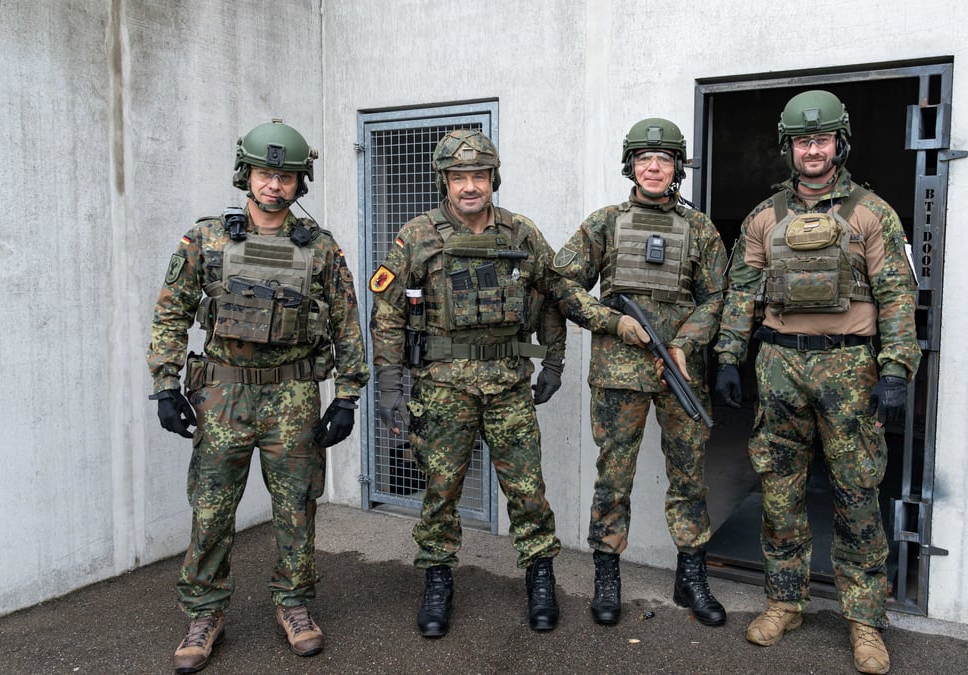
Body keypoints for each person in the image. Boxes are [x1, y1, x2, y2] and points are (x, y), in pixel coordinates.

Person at [147, 119, 370, 672]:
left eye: (287, 176)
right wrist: (164, 385)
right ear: (246, 174)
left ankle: (294, 605)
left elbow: (347, 323)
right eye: (266, 173)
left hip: (292, 396)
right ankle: (203, 613)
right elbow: (171, 311)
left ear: (301, 183)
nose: (275, 185)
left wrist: (347, 396)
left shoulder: (319, 247)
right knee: (212, 508)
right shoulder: (207, 237)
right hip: (221, 395)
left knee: (296, 508)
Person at [713, 90, 921, 675]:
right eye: (803, 141)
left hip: (851, 368)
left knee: (857, 495)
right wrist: (729, 357)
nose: (812, 149)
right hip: (778, 365)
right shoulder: (763, 217)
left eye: (822, 139)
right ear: (789, 148)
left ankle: (865, 620)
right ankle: (785, 601)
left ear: (839, 144)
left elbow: (897, 296)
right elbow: (741, 295)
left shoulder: (871, 213)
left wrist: (897, 369)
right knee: (779, 491)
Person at [370, 129, 567, 637]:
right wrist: (389, 388)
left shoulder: (521, 233)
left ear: (492, 179)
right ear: (446, 181)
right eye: (459, 177)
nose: (470, 186)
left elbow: (552, 299)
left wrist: (554, 365)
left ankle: (540, 575)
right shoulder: (416, 236)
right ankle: (438, 580)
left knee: (527, 490)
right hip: (442, 389)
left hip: (507, 386)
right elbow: (387, 316)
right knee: (441, 491)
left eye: (478, 175)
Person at [550, 118, 729, 627]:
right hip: (618, 372)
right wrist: (613, 322)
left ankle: (691, 574)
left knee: (690, 476)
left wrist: (684, 342)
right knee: (614, 478)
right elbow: (562, 284)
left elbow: (718, 296)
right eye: (645, 160)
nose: (654, 168)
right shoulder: (605, 222)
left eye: (664, 160)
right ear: (630, 165)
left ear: (677, 168)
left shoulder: (700, 229)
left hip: (680, 372)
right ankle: (607, 575)